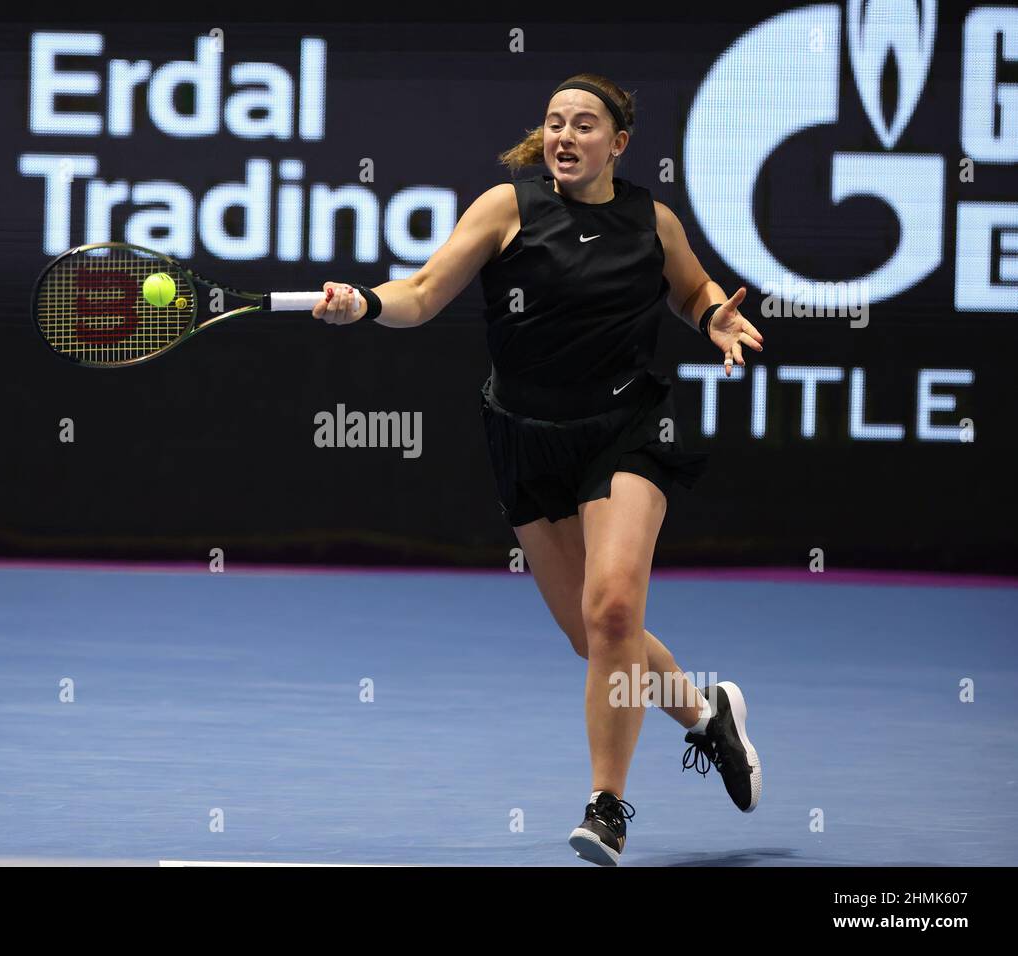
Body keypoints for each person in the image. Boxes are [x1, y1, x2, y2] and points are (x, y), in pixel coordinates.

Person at [313, 73, 764, 865]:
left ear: (618, 145)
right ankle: (707, 714)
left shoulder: (651, 221)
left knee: (614, 611)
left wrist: (714, 316)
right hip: (525, 436)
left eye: (585, 125)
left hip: (627, 428)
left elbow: (692, 293)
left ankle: (607, 806)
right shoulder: (507, 207)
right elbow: (420, 292)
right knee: (591, 639)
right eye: (555, 122)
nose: (565, 135)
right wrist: (367, 305)